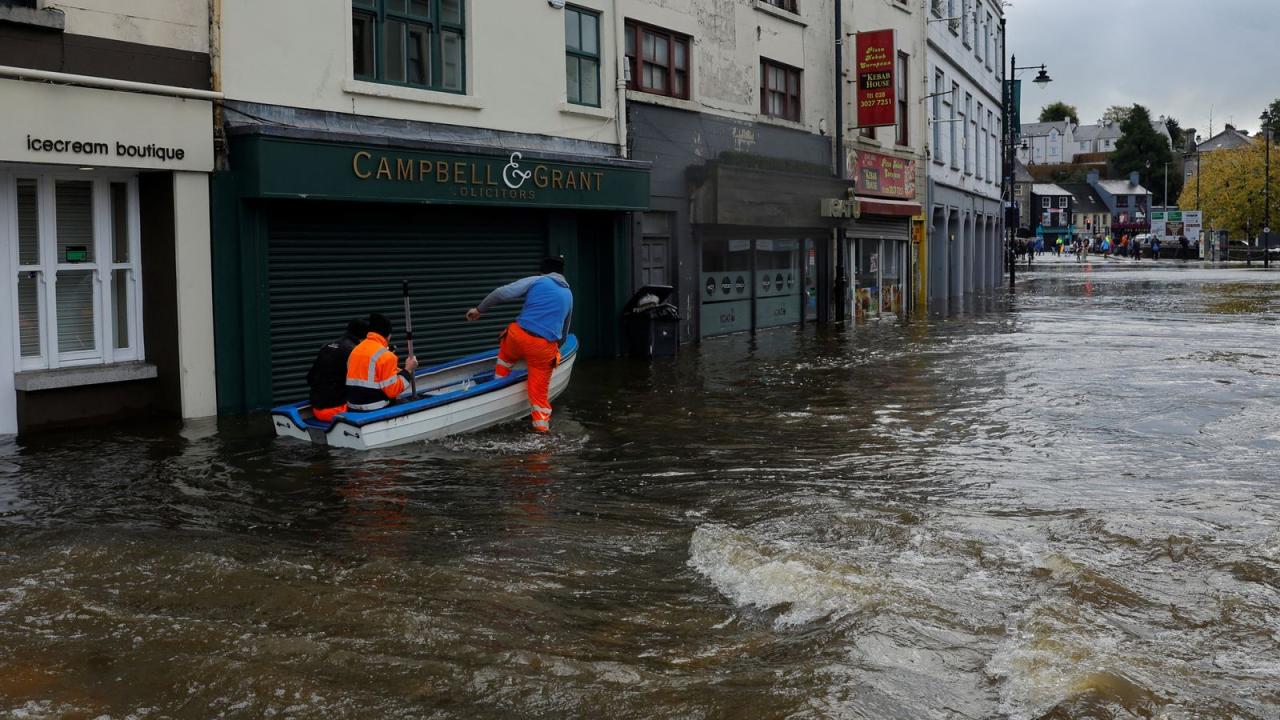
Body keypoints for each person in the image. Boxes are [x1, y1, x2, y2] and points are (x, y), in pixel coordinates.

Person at [465, 257, 573, 433]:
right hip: (543, 347)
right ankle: (541, 434)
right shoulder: (569, 294)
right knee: (539, 396)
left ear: (542, 271)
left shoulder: (537, 280)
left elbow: (501, 293)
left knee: (506, 358)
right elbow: (564, 330)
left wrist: (479, 310)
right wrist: (553, 352)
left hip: (517, 337)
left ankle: (498, 384)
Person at [345, 312, 419, 412]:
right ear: (388, 335)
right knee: (404, 401)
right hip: (373, 406)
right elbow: (392, 391)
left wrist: (398, 371)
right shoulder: (387, 356)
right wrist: (408, 370)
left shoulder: (356, 350)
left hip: (352, 406)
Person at [306, 317, 369, 422]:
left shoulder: (326, 346)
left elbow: (310, 378)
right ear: (363, 337)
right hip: (337, 411)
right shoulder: (355, 352)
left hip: (317, 409)